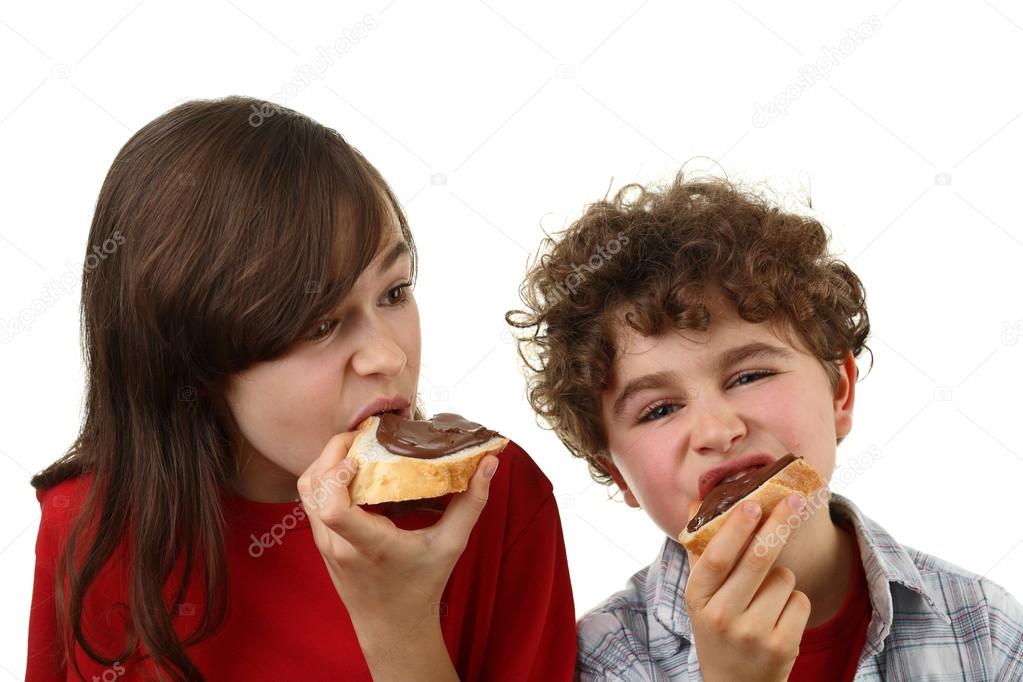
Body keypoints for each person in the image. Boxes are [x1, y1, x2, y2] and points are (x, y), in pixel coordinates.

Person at [27, 96, 575, 681]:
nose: (389, 356)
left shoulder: (491, 495)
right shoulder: (90, 523)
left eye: (394, 292)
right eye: (320, 324)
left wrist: (400, 625)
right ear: (191, 358)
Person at [506, 171, 1023, 680]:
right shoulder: (601, 663)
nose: (716, 430)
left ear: (839, 389)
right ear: (617, 475)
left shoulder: (985, 628)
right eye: (659, 410)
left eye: (750, 375)